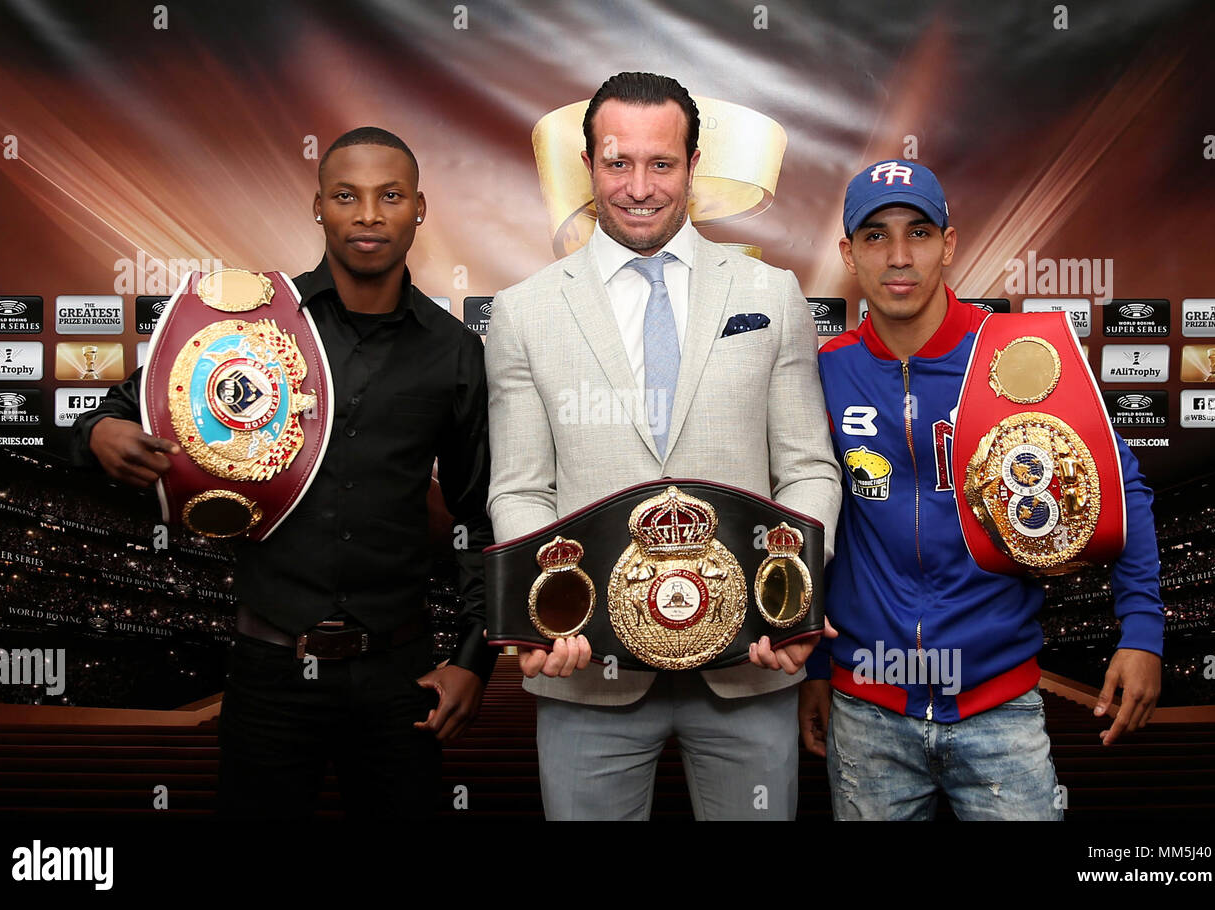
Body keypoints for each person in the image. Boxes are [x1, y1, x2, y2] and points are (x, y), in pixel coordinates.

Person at [71, 127, 496, 819]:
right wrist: (101, 432)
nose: (367, 214)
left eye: (389, 196)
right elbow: (119, 410)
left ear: (419, 208)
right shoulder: (249, 321)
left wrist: (474, 660)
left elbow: (483, 517)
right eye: (345, 196)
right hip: (269, 669)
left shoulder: (454, 352)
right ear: (317, 207)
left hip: (401, 676)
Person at [485, 72, 842, 820]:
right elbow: (520, 490)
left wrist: (792, 595)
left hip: (753, 664)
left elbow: (808, 470)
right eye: (619, 163)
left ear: (693, 164)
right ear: (589, 165)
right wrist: (549, 608)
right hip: (587, 671)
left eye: (662, 164)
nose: (639, 187)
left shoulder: (771, 295)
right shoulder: (522, 315)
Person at [799, 159, 1164, 820]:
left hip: (998, 704)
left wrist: (1141, 631)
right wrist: (819, 671)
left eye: (919, 232)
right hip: (868, 703)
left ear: (950, 243)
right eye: (876, 236)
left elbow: (1121, 486)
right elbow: (819, 525)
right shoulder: (826, 371)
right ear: (849, 254)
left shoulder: (1015, 355)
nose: (900, 256)